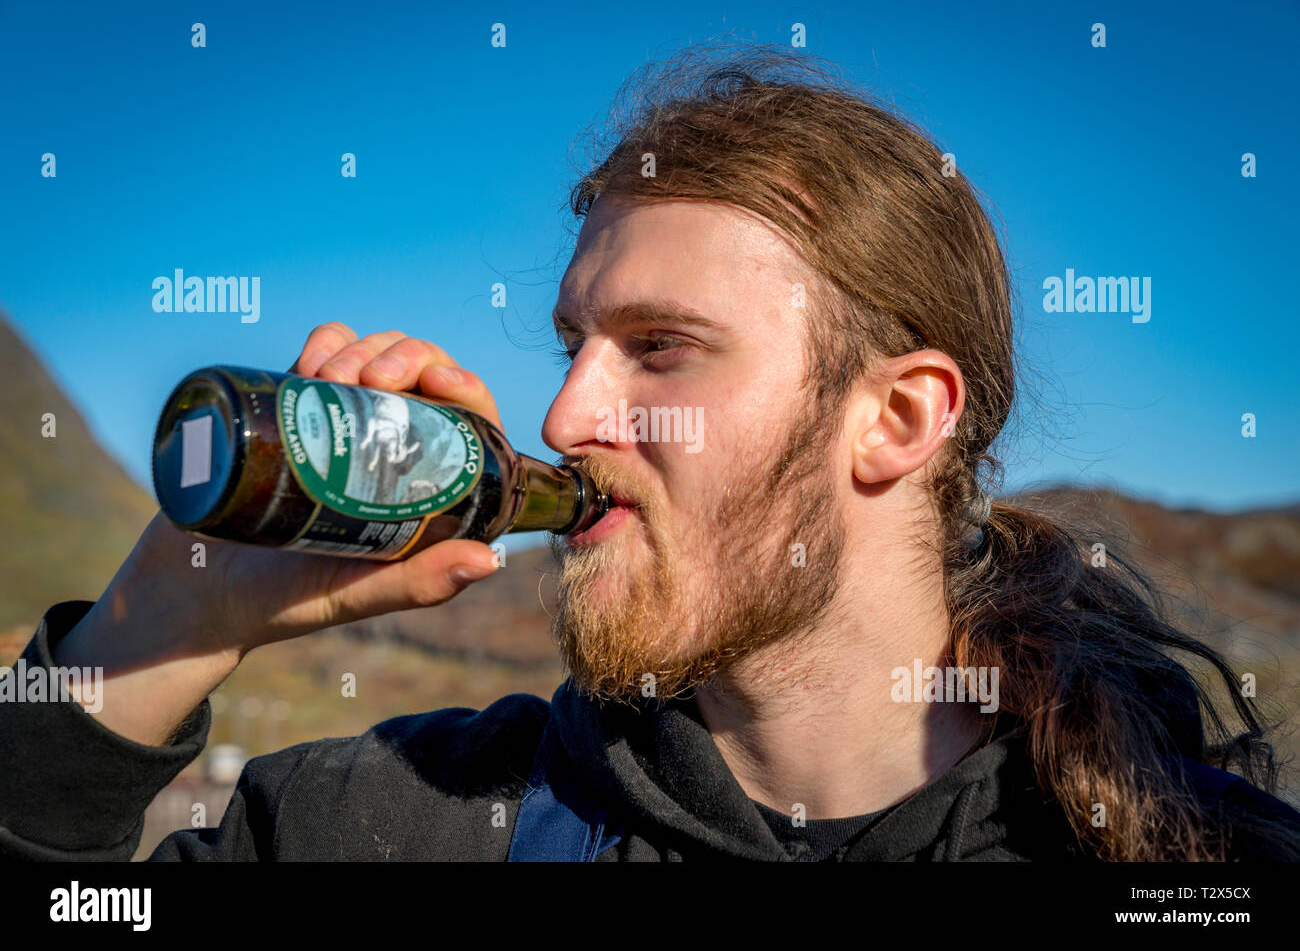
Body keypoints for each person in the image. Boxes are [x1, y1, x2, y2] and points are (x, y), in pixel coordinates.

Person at [2, 45, 1297, 862]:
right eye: (573, 345)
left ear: (899, 419)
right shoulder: (402, 820)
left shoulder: (1191, 862)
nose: (565, 419)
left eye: (660, 348)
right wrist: (157, 622)